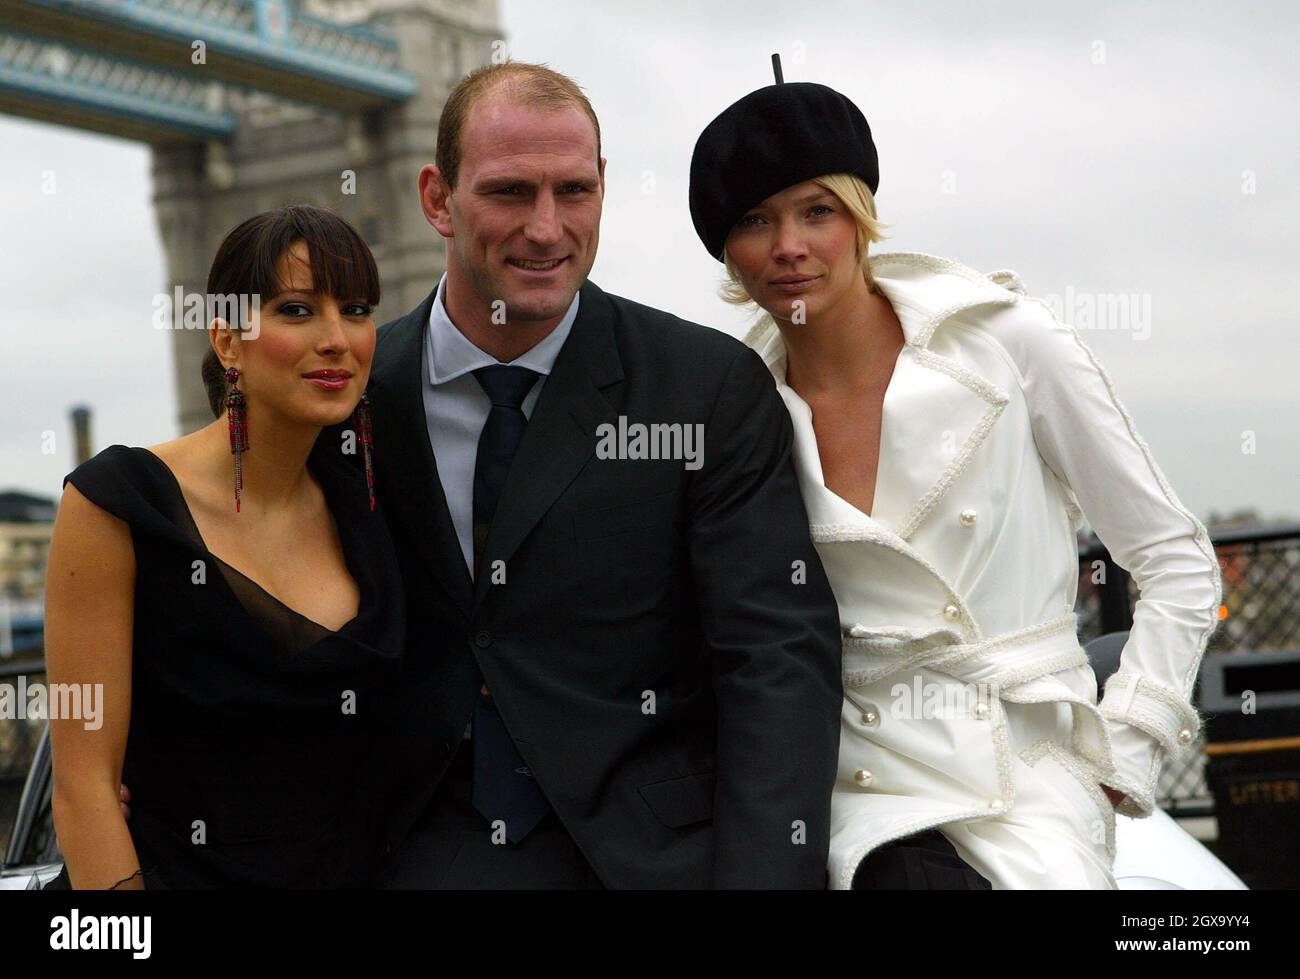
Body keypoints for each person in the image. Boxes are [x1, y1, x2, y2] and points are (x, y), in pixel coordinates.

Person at [687, 78, 1222, 889]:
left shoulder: (1006, 341)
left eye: (817, 211)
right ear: (727, 251)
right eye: (756, 221)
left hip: (1024, 774)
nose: (789, 245)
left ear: (860, 216)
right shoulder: (734, 407)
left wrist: (1131, 743)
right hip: (846, 789)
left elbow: (1176, 561)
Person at [345, 61, 843, 889]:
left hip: (652, 857)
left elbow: (776, 660)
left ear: (603, 186)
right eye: (510, 193)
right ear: (437, 198)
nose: (547, 228)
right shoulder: (355, 396)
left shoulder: (704, 389)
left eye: (573, 191)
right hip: (410, 852)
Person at [43, 205, 407, 888]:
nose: (336, 338)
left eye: (355, 309)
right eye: (296, 311)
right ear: (228, 340)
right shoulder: (115, 504)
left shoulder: (372, 502)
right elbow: (82, 791)